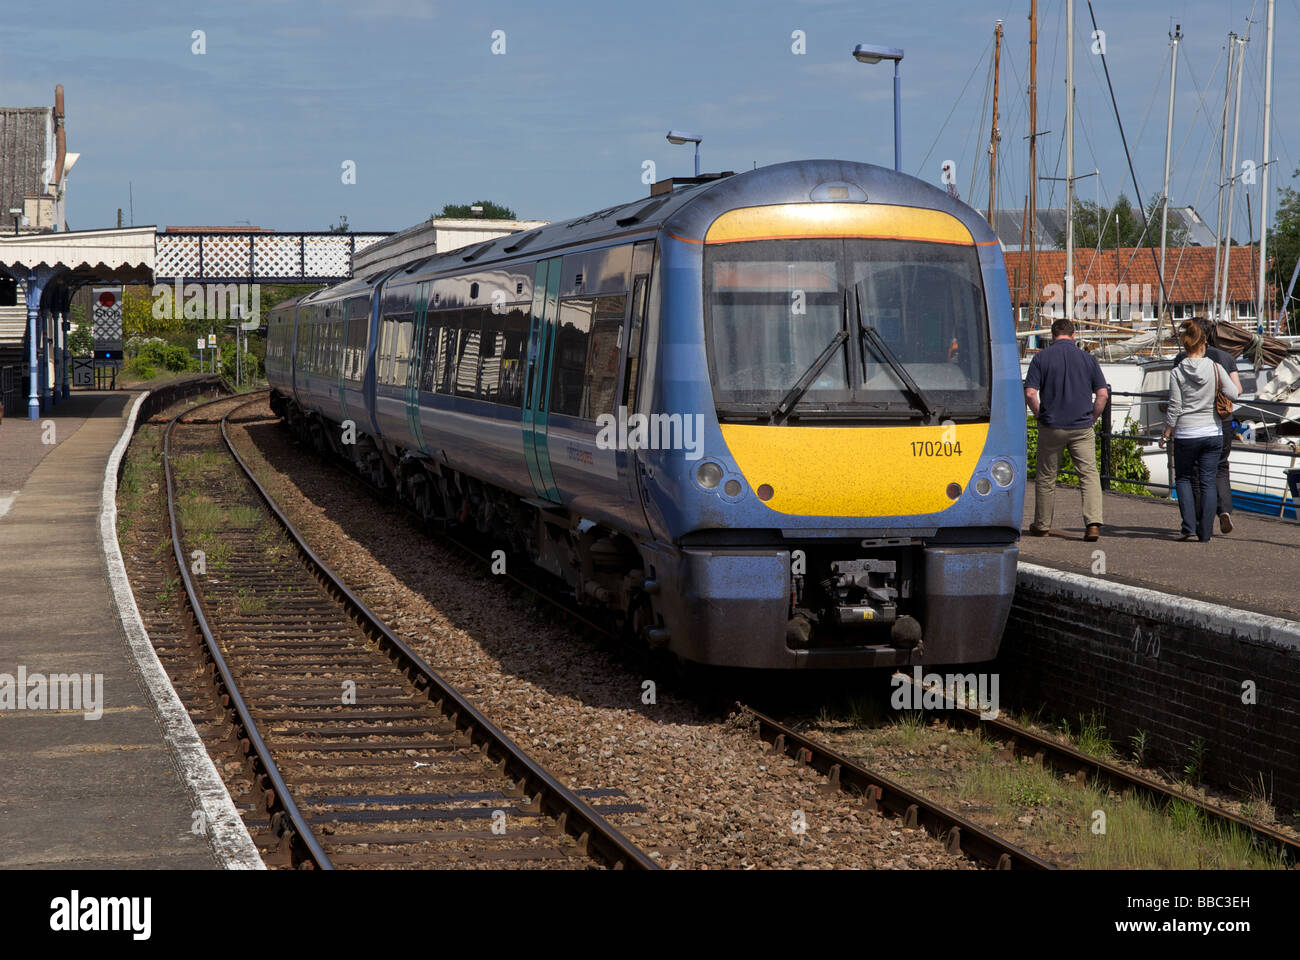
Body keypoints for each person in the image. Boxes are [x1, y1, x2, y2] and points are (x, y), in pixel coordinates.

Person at [1024, 317, 1109, 541]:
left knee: (1046, 477)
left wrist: (1039, 414)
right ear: (1074, 336)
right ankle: (1092, 524)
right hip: (1081, 426)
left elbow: (1031, 393)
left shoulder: (1041, 358)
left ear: (1052, 336)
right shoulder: (1088, 359)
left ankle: (1042, 525)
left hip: (1052, 426)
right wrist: (1093, 417)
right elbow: (1102, 395)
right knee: (1088, 475)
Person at [1160, 319, 1239, 542]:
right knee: (1208, 480)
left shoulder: (1177, 371)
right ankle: (1205, 533)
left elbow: (1174, 406)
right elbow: (1234, 393)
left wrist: (1167, 431)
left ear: (1186, 345)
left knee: (1184, 479)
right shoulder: (1215, 368)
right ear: (1203, 343)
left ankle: (1189, 527)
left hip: (1186, 434)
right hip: (1213, 432)